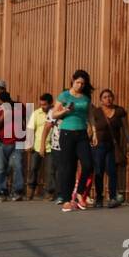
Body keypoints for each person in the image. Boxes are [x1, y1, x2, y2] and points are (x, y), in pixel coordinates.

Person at [54, 71, 96, 212]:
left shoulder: (85, 98)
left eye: (83, 83)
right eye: (78, 82)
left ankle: (79, 192)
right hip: (66, 132)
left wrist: (94, 132)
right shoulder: (64, 95)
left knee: (88, 164)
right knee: (68, 167)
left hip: (82, 133)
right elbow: (54, 114)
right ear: (72, 80)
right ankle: (67, 200)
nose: (80, 85)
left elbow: (90, 116)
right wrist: (65, 110)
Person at [91, 89, 127, 208]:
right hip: (99, 146)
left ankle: (112, 197)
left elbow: (125, 128)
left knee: (112, 171)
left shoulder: (119, 111)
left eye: (110, 96)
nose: (108, 99)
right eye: (105, 97)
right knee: (99, 171)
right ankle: (99, 198)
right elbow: (91, 127)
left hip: (112, 146)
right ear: (101, 100)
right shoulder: (96, 112)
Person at [0, 91, 24, 201]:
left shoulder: (19, 107)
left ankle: (17, 191)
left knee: (18, 166)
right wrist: (3, 116)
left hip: (17, 141)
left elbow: (24, 121)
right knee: (0, 168)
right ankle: (2, 191)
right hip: (1, 142)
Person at [24, 93, 52, 200]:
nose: (42, 106)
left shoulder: (54, 113)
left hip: (50, 147)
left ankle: (49, 192)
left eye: (44, 104)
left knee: (50, 171)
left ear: (50, 103)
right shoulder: (36, 113)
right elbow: (30, 129)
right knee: (33, 169)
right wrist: (29, 144)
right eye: (41, 104)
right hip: (36, 147)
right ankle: (30, 190)